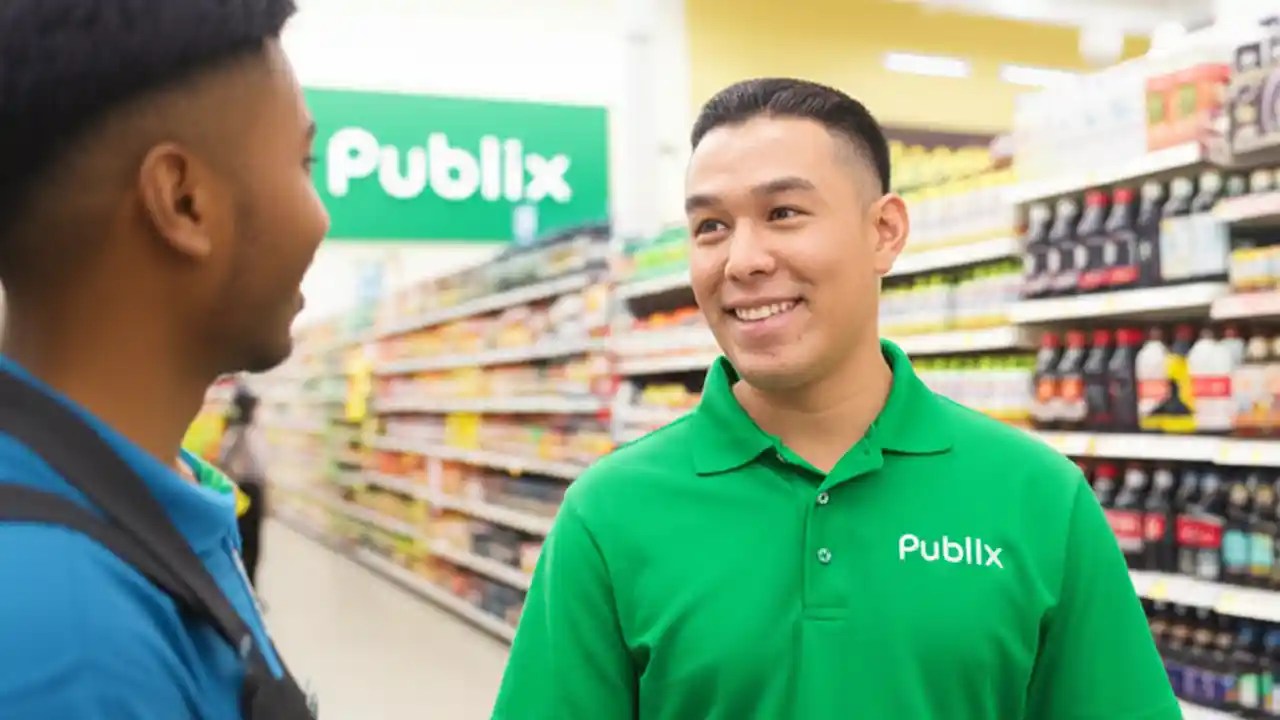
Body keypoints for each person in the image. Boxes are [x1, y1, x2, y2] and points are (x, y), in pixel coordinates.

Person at [493, 78, 1179, 720]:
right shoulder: (610, 513)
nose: (742, 260)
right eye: (710, 226)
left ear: (884, 232)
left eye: (783, 212)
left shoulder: (1038, 499)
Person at [0, 1, 327, 717]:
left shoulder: (154, 495)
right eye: (305, 163)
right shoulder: (67, 647)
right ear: (184, 201)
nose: (322, 216)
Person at [218, 384, 270, 587]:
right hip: (242, 488)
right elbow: (225, 463)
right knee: (244, 540)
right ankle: (243, 583)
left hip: (252, 488)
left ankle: (251, 584)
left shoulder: (251, 431)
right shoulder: (235, 433)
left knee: (253, 542)